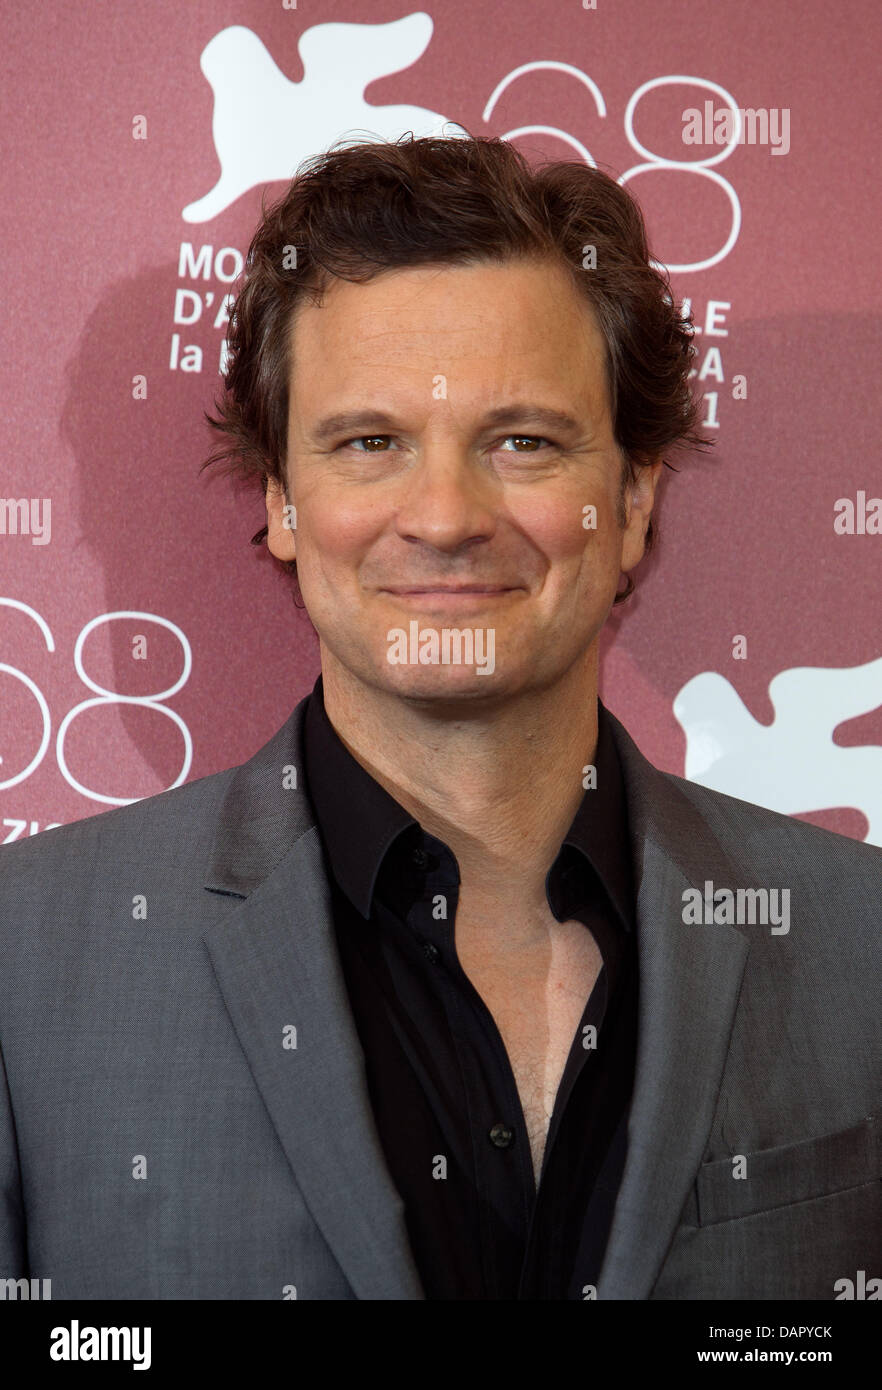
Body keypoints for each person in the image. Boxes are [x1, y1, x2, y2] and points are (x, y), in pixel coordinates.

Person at [0, 135, 878, 1301]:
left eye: (523, 440)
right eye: (371, 443)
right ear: (281, 500)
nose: (448, 514)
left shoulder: (857, 940)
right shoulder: (29, 959)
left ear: (629, 500)